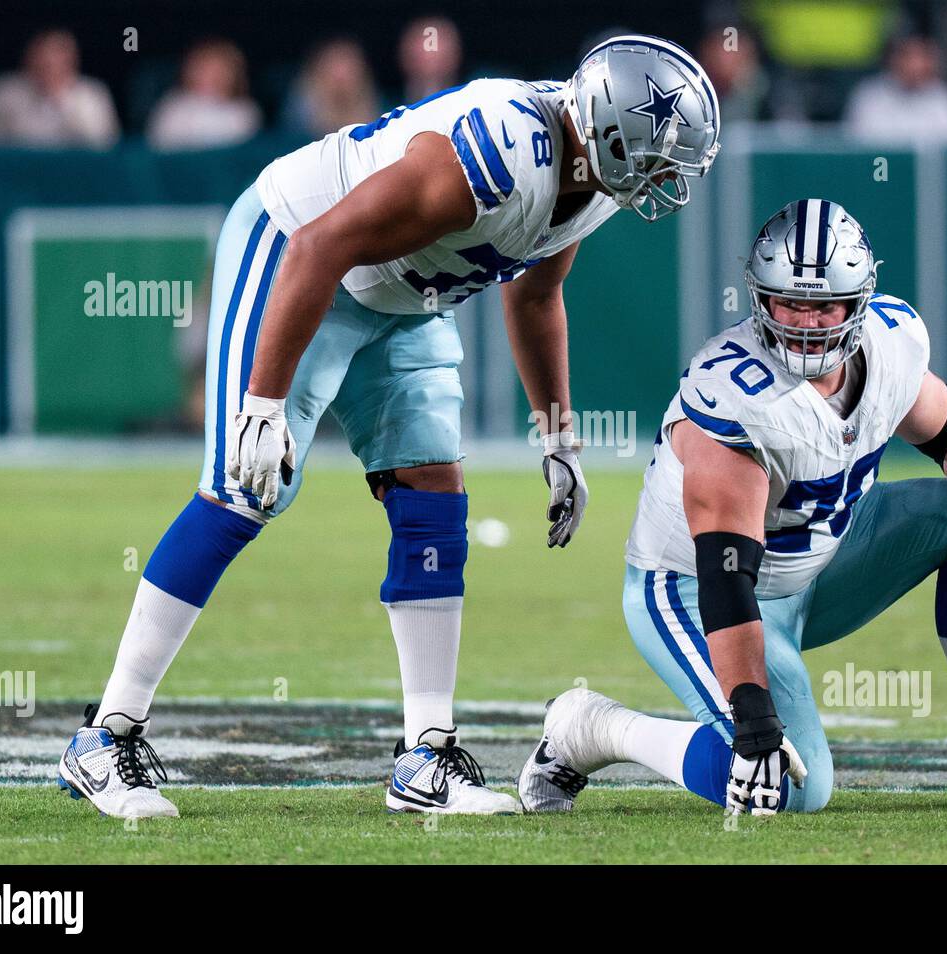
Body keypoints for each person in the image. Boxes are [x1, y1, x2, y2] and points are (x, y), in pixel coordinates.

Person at [55, 35, 721, 818]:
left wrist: (556, 437)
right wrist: (263, 406)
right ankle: (105, 736)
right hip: (297, 254)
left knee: (436, 500)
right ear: (608, 132)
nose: (664, 180)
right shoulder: (500, 154)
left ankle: (425, 756)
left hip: (405, 298)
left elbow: (536, 297)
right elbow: (320, 244)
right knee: (244, 490)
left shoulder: (592, 177)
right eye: (656, 159)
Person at [519, 199, 947, 816]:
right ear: (760, 300)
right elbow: (727, 575)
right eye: (789, 304)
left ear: (857, 303)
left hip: (820, 560)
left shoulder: (889, 345)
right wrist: (753, 721)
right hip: (698, 590)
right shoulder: (735, 396)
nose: (804, 323)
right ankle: (588, 728)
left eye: (822, 305)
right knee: (789, 786)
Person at [0, 29, 119, 148]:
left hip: (75, 178)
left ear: (72, 61)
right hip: (12, 177)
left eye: (58, 60)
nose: (50, 67)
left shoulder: (92, 95)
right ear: (28, 59)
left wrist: (63, 105)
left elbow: (105, 147)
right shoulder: (2, 92)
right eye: (43, 62)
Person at [843, 33, 947, 147]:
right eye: (908, 56)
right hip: (881, 173)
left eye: (923, 56)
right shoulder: (869, 97)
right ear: (894, 59)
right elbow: (858, 149)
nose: (916, 65)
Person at [146, 39, 262, 151]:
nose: (209, 77)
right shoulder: (173, 106)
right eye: (202, 69)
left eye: (218, 71)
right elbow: (158, 146)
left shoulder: (245, 110)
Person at [282, 39, 378, 137]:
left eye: (349, 68)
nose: (341, 78)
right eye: (334, 66)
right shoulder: (301, 108)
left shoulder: (381, 110)